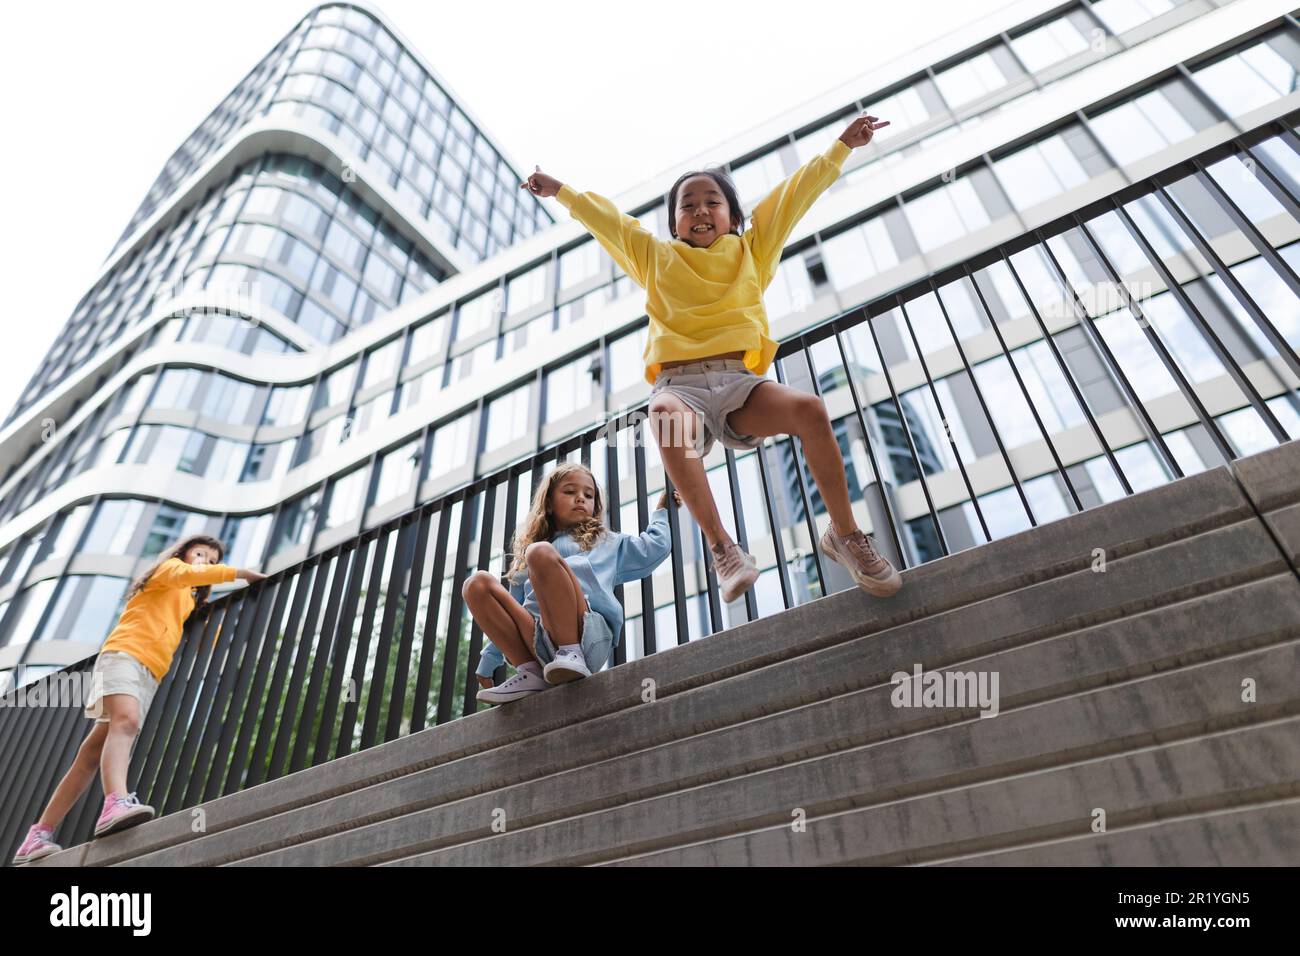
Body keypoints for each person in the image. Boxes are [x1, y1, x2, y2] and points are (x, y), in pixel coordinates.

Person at [521, 112, 901, 603]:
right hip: (680, 388)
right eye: (687, 206)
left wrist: (842, 147)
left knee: (811, 410)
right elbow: (610, 223)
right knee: (661, 413)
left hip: (741, 383)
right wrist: (562, 192)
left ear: (733, 217)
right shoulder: (656, 258)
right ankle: (723, 547)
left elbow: (794, 196)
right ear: (674, 223)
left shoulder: (752, 249)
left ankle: (846, 535)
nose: (700, 211)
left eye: (712, 202)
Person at [11, 535, 266, 864]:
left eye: (213, 559)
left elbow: (202, 630)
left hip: (148, 673)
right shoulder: (168, 570)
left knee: (89, 756)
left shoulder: (187, 600)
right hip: (124, 655)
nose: (206, 561)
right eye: (200, 553)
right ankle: (114, 803)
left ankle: (37, 836)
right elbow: (187, 575)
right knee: (126, 722)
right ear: (184, 553)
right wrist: (241, 573)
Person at [463, 463, 676, 703]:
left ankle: (571, 651)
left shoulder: (607, 542)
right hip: (539, 641)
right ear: (550, 503)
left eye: (588, 495)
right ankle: (531, 673)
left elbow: (653, 550)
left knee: (539, 553)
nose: (580, 499)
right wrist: (489, 660)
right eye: (569, 492)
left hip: (588, 637)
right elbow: (510, 610)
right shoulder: (528, 559)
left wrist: (662, 512)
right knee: (476, 584)